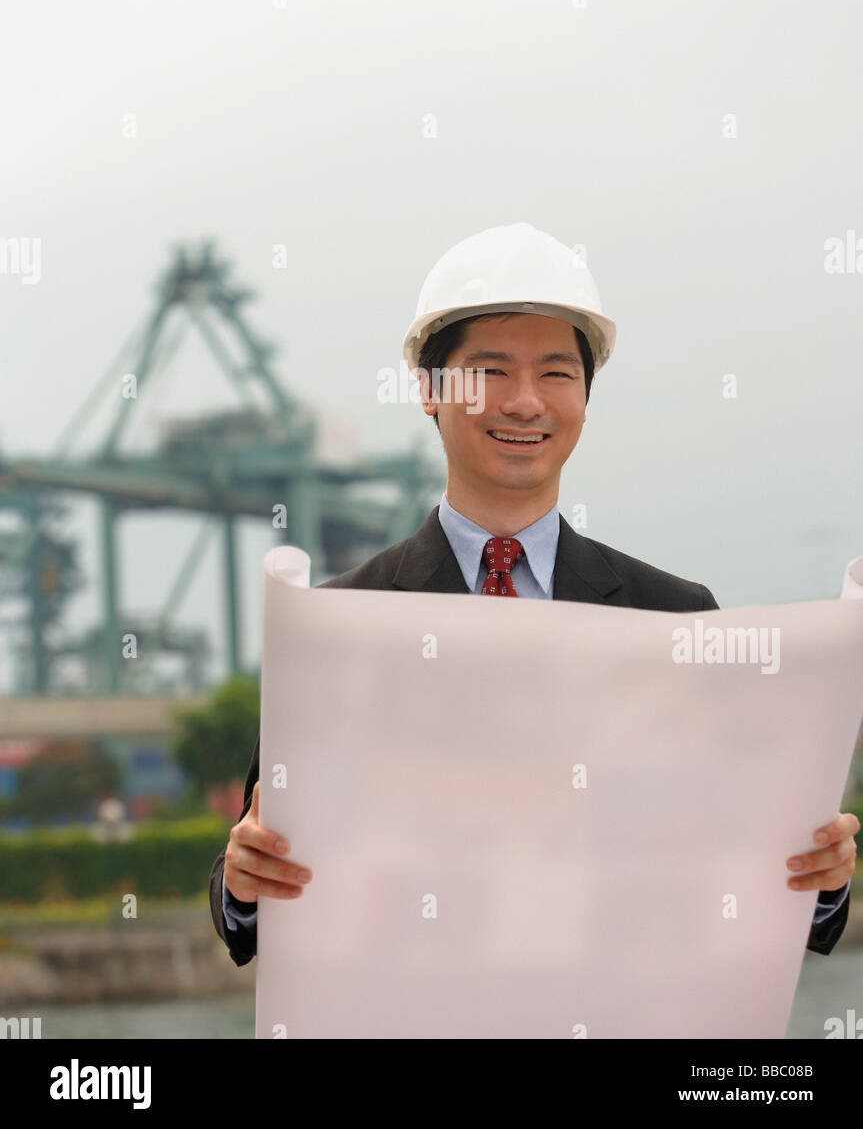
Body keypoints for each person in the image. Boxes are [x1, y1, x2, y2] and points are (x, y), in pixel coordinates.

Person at [209, 222, 857, 969]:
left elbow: (766, 887)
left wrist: (820, 879)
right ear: (428, 389)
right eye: (488, 372)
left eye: (556, 373)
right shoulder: (331, 627)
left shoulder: (675, 617)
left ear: (584, 396)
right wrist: (241, 881)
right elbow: (250, 899)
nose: (525, 403)